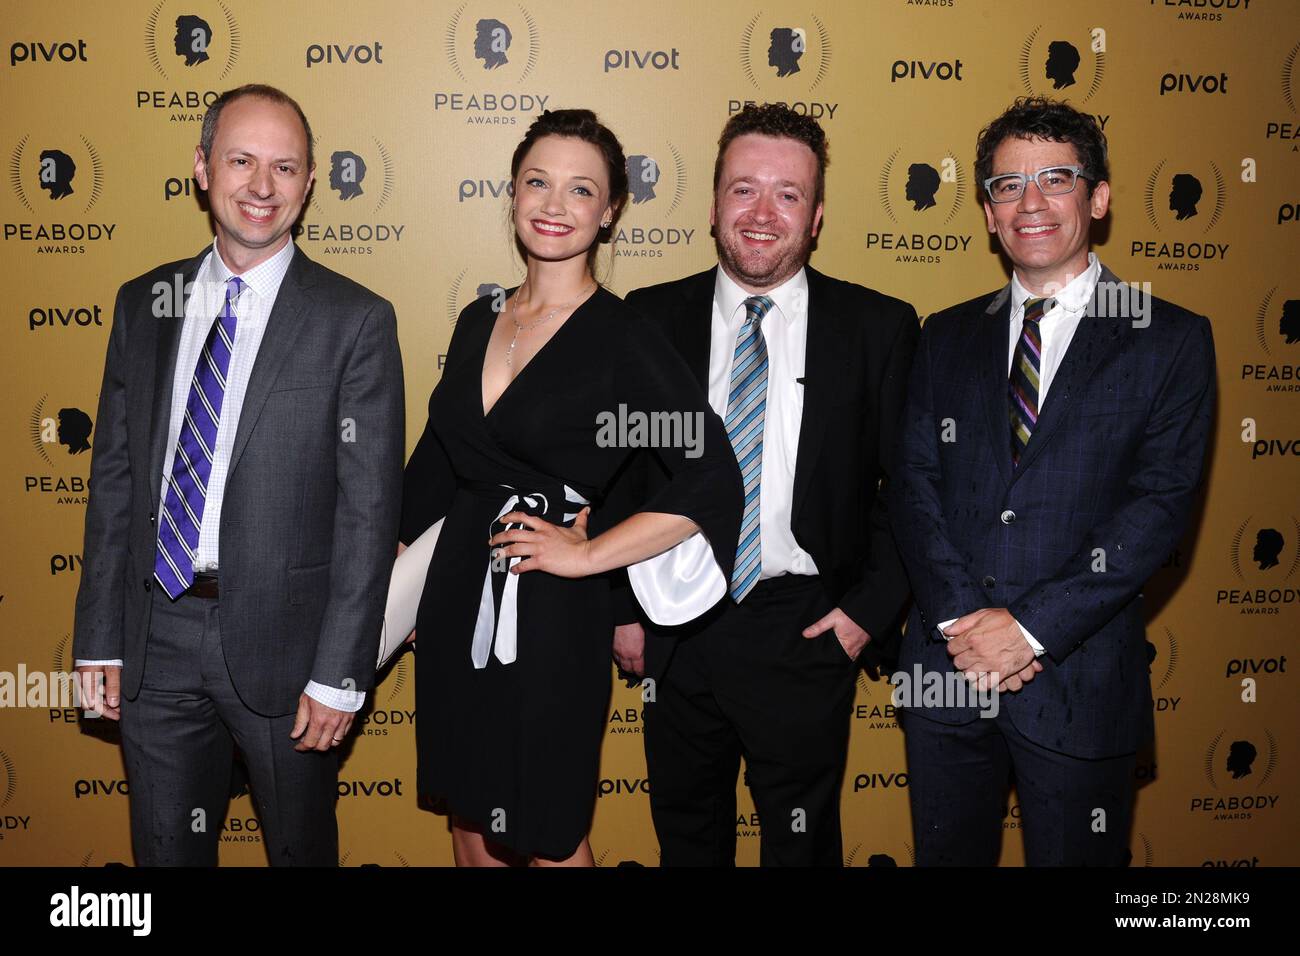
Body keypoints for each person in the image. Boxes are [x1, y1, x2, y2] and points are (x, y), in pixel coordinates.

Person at [398, 108, 742, 867]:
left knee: (547, 832)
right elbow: (436, 464)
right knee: (470, 820)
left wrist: (590, 557)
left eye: (580, 189)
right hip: (457, 594)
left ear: (610, 209)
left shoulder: (625, 340)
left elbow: (707, 473)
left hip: (551, 613)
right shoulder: (477, 319)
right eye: (537, 183)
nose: (554, 206)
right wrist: (395, 594)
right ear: (513, 193)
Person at [72, 83, 405, 866]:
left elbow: (368, 512)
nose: (262, 186)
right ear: (201, 168)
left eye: (285, 167)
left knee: (299, 852)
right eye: (242, 161)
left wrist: (339, 672)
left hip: (289, 653)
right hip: (155, 637)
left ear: (311, 180)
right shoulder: (143, 304)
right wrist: (99, 640)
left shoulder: (353, 319)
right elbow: (114, 483)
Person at [891, 96, 1215, 866]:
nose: (1030, 203)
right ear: (988, 211)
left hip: (1079, 680)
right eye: (1007, 186)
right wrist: (969, 627)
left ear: (1098, 198)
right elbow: (912, 483)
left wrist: (1028, 631)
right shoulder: (945, 333)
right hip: (948, 671)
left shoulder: (1168, 338)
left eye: (1056, 179)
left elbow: (1158, 510)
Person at [610, 103, 919, 866]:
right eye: (743, 189)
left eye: (788, 193)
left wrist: (860, 618)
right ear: (713, 205)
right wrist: (621, 611)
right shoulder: (646, 320)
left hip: (806, 627)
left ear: (816, 217)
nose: (762, 212)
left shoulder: (878, 327)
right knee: (689, 837)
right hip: (674, 620)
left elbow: (910, 490)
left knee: (803, 845)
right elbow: (620, 476)